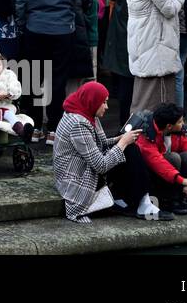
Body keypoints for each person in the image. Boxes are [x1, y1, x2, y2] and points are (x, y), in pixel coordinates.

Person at [15, 0, 85, 137]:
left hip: (35, 27)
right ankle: (54, 127)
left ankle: (34, 125)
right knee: (58, 78)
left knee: (34, 75)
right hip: (63, 28)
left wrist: (22, 23)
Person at [52, 81, 141, 223]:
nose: (107, 106)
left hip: (82, 167)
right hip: (75, 179)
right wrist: (123, 142)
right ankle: (140, 201)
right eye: (104, 102)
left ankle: (138, 199)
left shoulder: (84, 110)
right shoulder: (78, 123)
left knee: (131, 149)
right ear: (93, 101)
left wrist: (120, 138)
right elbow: (101, 165)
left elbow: (99, 143)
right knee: (129, 151)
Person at [121, 0, 187, 113]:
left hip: (144, 43)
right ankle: (147, 139)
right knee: (158, 104)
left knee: (142, 101)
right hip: (157, 47)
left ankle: (135, 137)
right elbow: (169, 9)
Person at [127, 103, 187, 216]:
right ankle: (169, 200)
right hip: (151, 177)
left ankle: (181, 198)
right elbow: (157, 163)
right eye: (180, 122)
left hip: (172, 177)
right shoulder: (146, 133)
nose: (183, 124)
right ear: (169, 126)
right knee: (173, 158)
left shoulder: (178, 131)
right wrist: (182, 180)